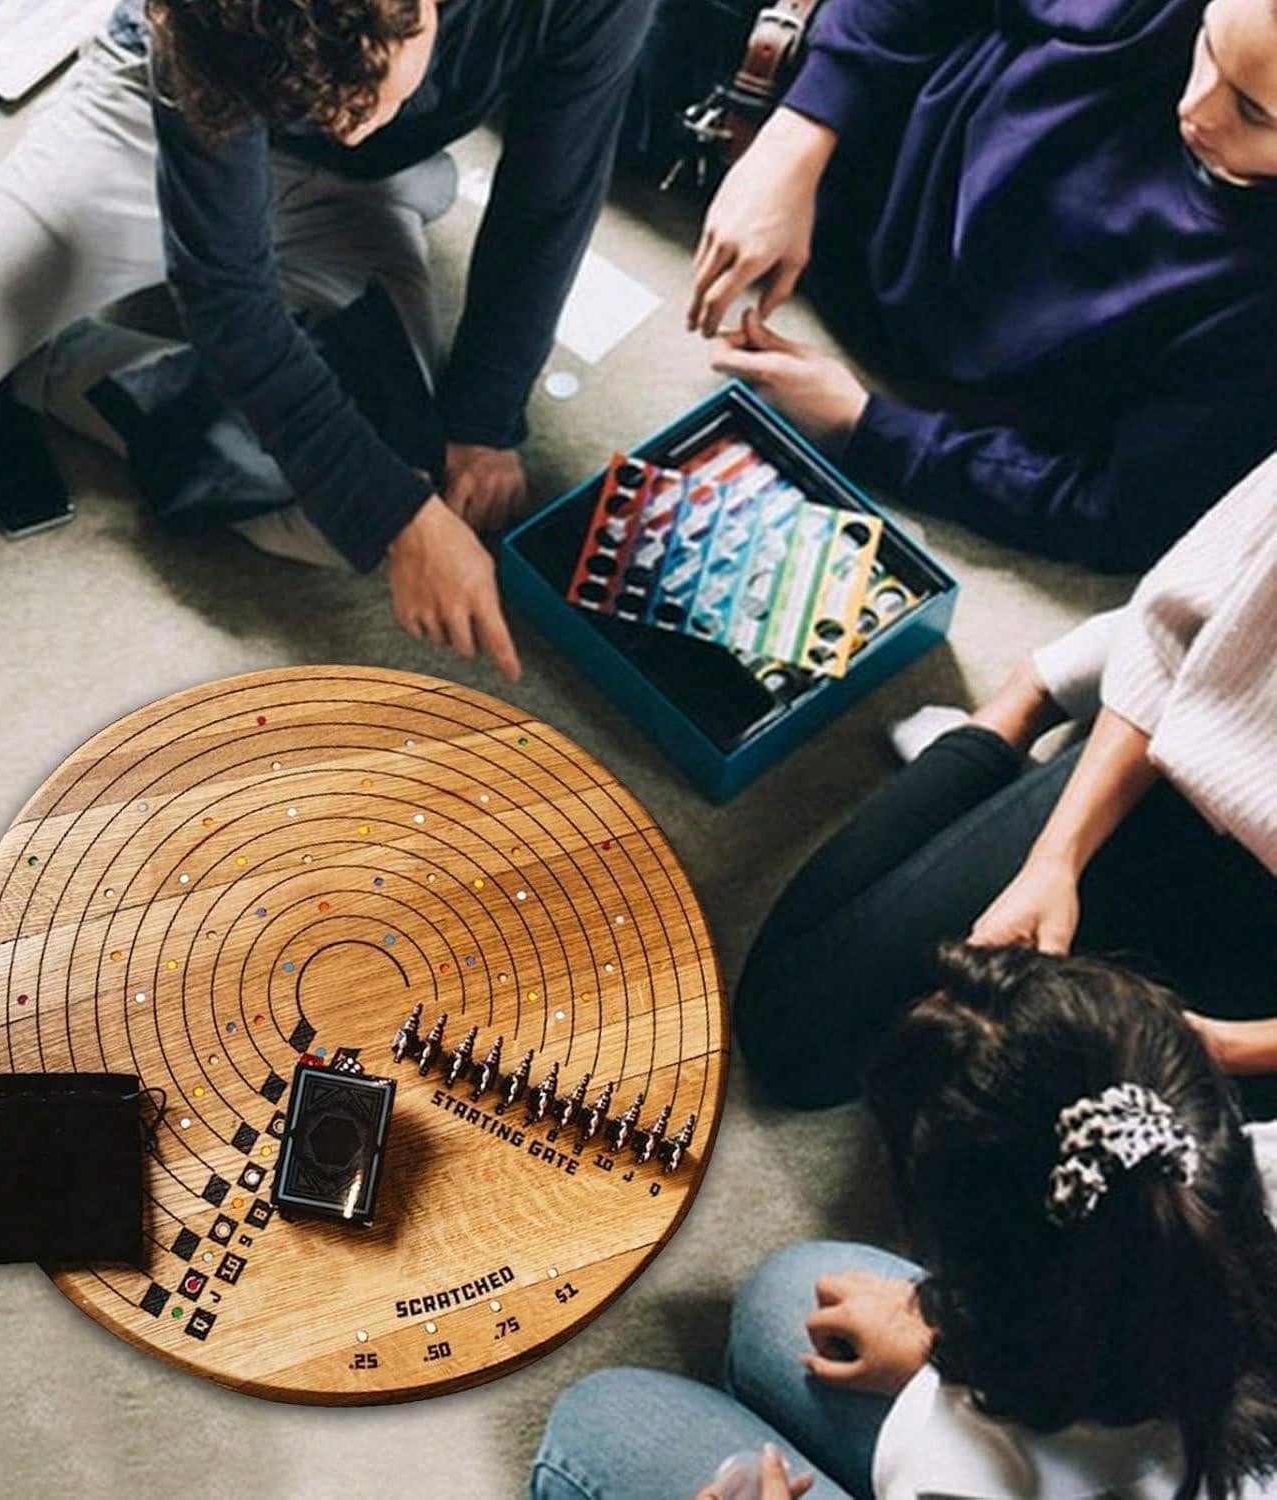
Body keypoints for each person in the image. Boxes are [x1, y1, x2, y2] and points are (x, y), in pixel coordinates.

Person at [0, 0, 656, 677]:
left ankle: (40, 359)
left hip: (363, 191)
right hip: (170, 117)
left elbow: (550, 194)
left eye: (363, 96)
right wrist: (397, 518)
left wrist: (486, 413)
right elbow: (225, 289)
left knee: (367, 494)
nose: (345, 125)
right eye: (344, 106)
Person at [531, 944, 1277, 1499]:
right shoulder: (1218, 1193)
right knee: (784, 1299)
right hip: (1122, 1420)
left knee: (602, 1424)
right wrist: (945, 1354)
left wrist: (960, 1375)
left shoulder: (957, 1476)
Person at [734, 449, 1277, 1113]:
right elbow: (1169, 640)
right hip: (1179, 775)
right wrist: (1054, 862)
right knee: (795, 1042)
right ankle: (1029, 697)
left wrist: (1228, 1048)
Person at [687, 0, 1277, 571]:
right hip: (832, 145)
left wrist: (867, 426)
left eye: (1255, 112)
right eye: (1208, 42)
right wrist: (798, 134)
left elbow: (1121, 514)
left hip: (929, 388)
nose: (1197, 106)